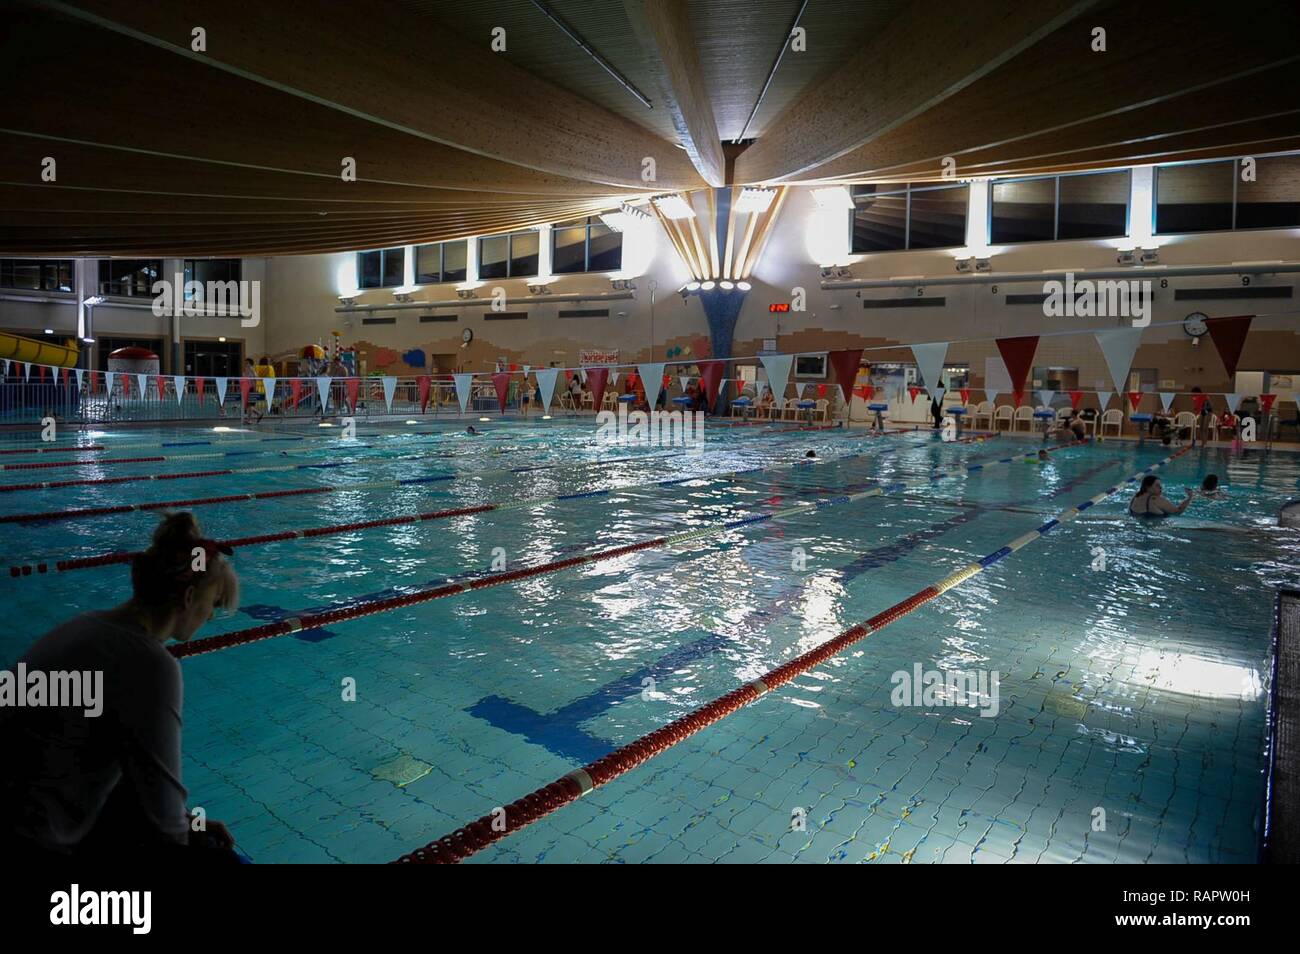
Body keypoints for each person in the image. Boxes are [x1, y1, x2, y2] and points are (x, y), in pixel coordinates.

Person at [0, 513, 241, 863]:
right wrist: (187, 831)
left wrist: (188, 822)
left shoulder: (86, 625)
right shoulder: (149, 662)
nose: (210, 618)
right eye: (213, 604)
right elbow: (165, 826)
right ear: (189, 597)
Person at [1128, 474, 1193, 517]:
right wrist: (1189, 497)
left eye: (1160, 485)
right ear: (1147, 487)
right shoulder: (1155, 499)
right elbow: (1177, 512)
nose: (1160, 487)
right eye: (1157, 485)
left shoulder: (1135, 497)